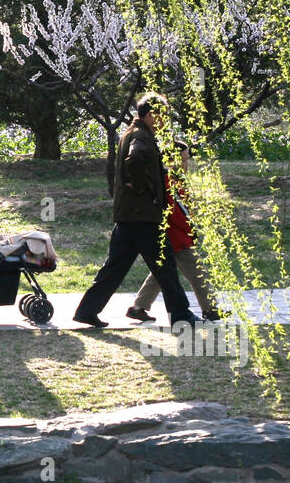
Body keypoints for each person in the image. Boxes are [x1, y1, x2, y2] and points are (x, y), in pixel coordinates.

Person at [73, 93, 199, 329]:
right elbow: (135, 160)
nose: (165, 120)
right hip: (143, 216)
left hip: (129, 216)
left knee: (114, 268)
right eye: (162, 115)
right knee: (165, 266)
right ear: (151, 115)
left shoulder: (131, 132)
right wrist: (146, 190)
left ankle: (86, 311)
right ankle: (181, 314)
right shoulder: (141, 136)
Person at [127, 141, 223, 322]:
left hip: (174, 236)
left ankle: (138, 307)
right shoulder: (168, 182)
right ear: (170, 161)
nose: (187, 164)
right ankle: (210, 309)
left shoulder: (174, 180)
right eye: (183, 160)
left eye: (187, 160)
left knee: (160, 274)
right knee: (197, 273)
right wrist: (191, 229)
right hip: (177, 237)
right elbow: (174, 212)